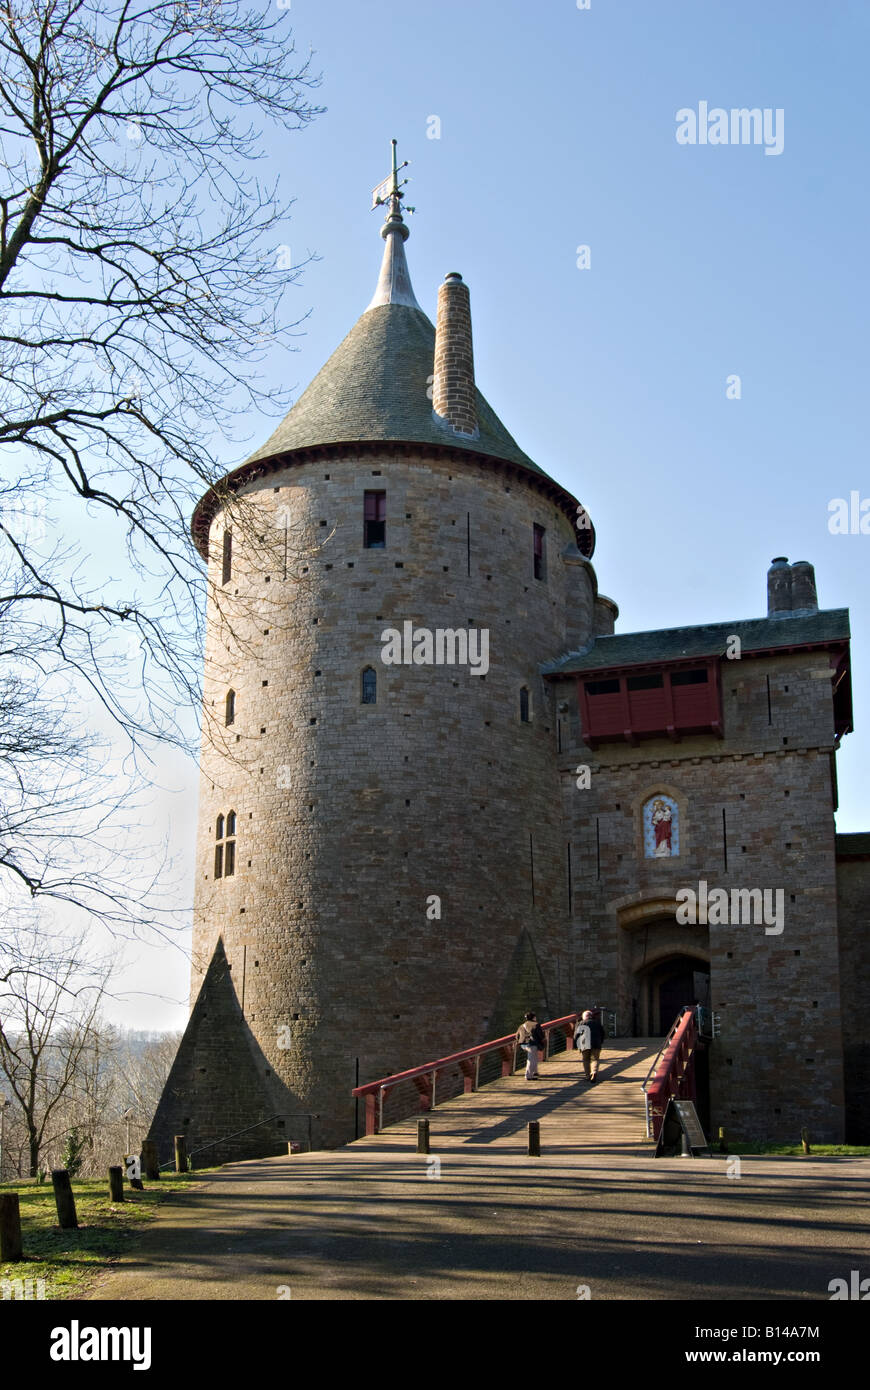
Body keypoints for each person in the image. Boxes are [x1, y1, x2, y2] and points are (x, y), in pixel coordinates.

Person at [574, 1009, 605, 1083]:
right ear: (591, 1016)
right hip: (596, 1043)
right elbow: (602, 1033)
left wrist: (576, 1045)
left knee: (586, 1060)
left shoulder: (580, 1023)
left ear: (584, 1017)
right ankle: (594, 1072)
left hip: (584, 1044)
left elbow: (576, 1035)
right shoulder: (597, 1023)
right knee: (595, 1059)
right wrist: (600, 1042)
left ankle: (587, 1076)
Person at [516, 1011, 545, 1080]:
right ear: (534, 1017)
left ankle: (535, 1072)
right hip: (531, 1044)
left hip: (523, 1045)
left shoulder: (522, 1025)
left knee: (533, 1058)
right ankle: (528, 1076)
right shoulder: (536, 1024)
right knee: (531, 1060)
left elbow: (517, 1036)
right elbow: (541, 1036)